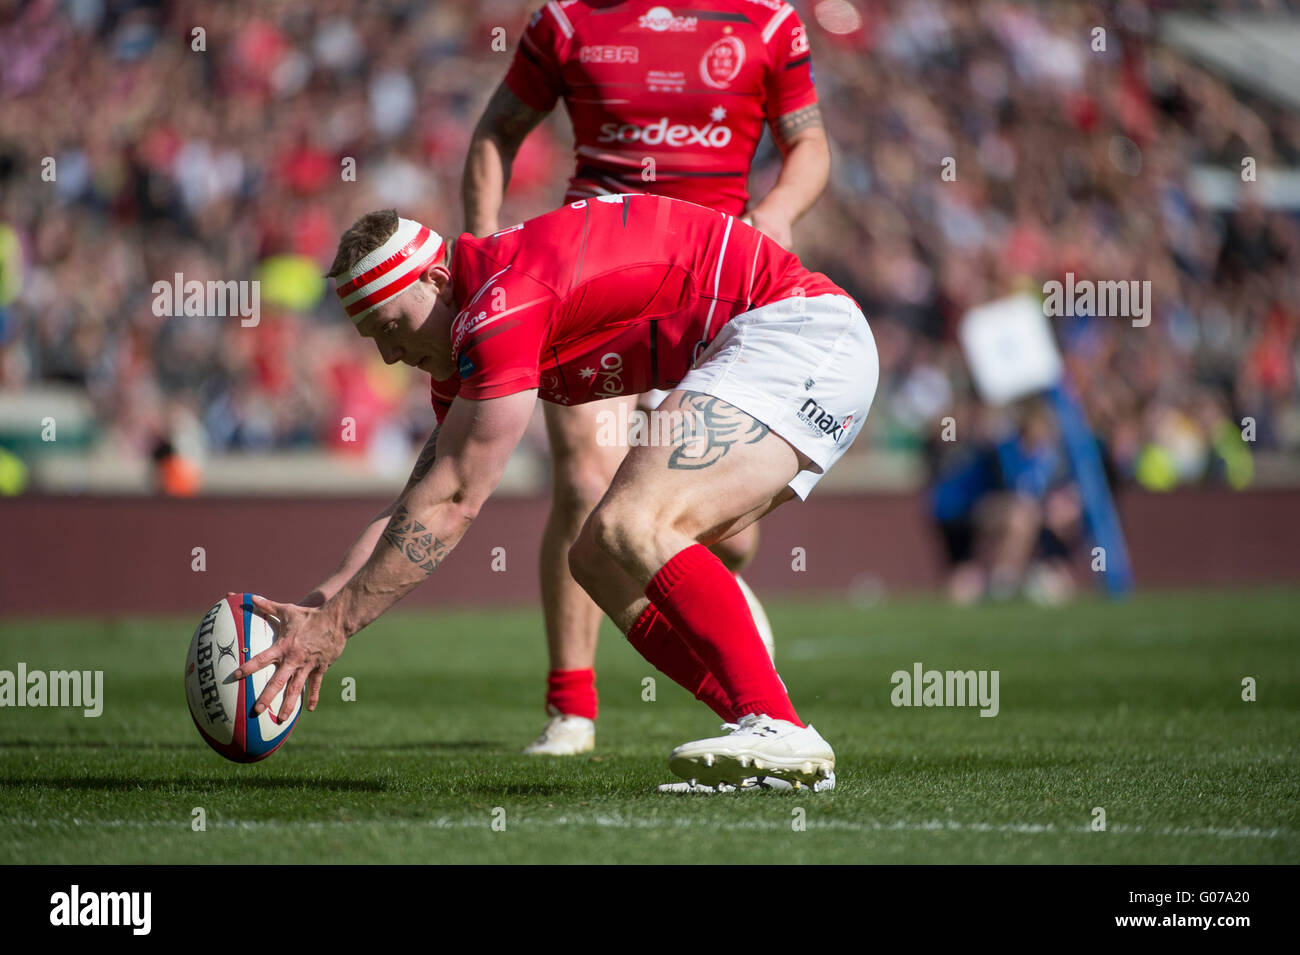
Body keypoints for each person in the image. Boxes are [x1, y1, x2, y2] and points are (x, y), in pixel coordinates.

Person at [232, 193, 877, 791]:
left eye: (390, 325)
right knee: (595, 553)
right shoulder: (469, 329)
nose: (390, 356)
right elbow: (416, 505)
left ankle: (777, 724)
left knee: (631, 523)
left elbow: (455, 503)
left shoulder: (499, 305)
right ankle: (763, 723)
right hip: (779, 344)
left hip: (796, 334)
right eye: (372, 338)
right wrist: (319, 607)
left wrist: (337, 629)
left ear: (431, 280)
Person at [462, 0, 830, 754]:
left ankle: (708, 592)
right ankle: (573, 707)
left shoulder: (766, 21)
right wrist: (483, 247)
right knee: (586, 478)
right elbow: (496, 131)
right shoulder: (565, 21)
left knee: (728, 538)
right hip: (598, 280)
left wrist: (781, 206)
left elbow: (811, 144)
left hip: (718, 286)